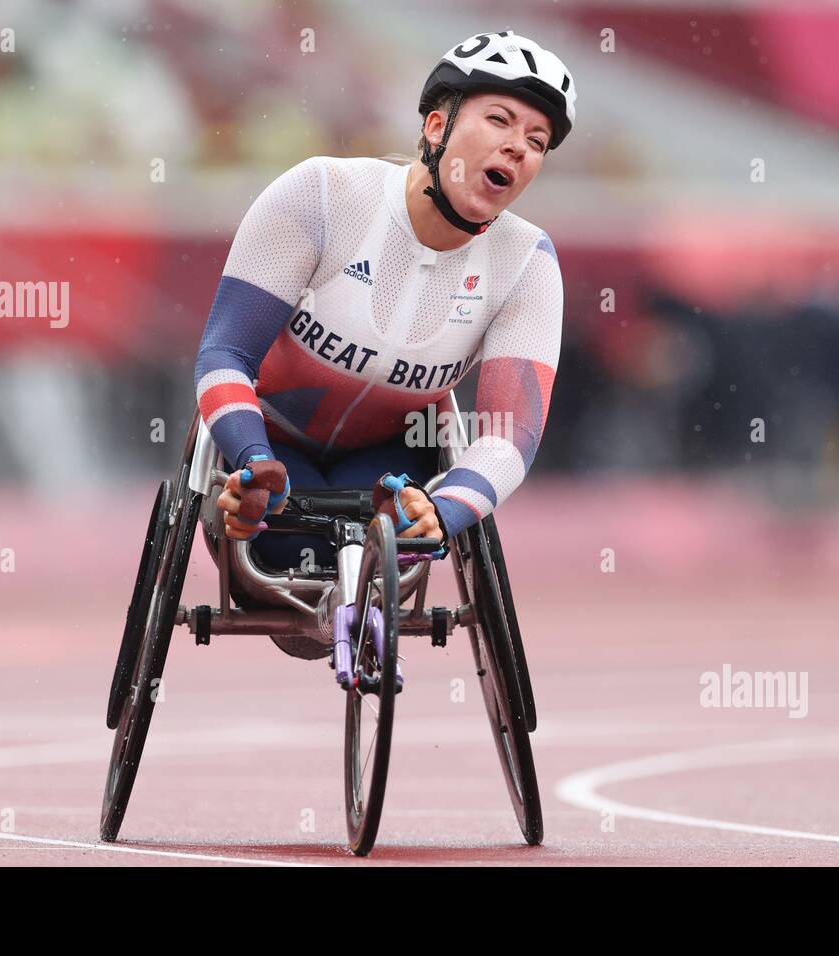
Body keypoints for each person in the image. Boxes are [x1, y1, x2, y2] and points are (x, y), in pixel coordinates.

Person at [196, 30, 575, 608]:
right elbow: (225, 354)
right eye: (499, 119)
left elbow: (512, 435)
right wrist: (252, 462)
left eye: (538, 140)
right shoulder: (322, 193)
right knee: (286, 557)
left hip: (392, 460)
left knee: (375, 559)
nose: (518, 147)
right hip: (271, 443)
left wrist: (444, 510)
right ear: (435, 127)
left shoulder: (526, 263)